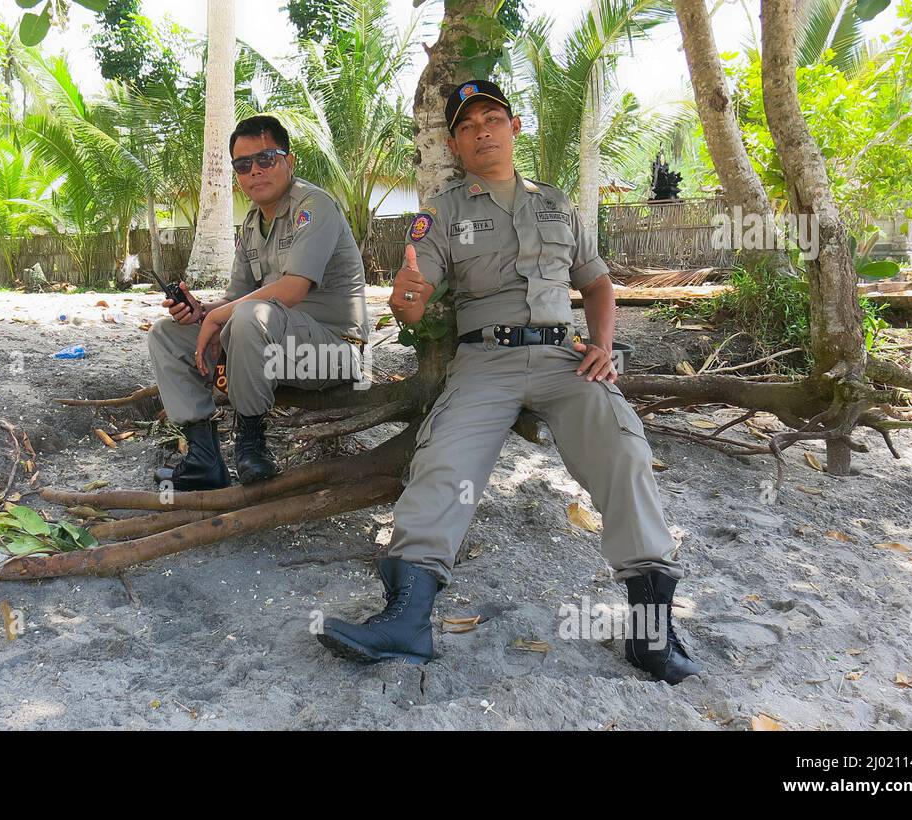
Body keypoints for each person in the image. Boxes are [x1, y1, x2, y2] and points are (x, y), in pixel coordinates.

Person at [316, 81, 700, 684]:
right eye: (468, 126)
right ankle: (407, 619)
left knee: (625, 451)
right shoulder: (440, 214)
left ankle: (650, 628)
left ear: (514, 127)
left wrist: (603, 346)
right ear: (455, 142)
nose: (483, 132)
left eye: (493, 119)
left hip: (563, 357)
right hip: (484, 362)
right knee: (444, 462)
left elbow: (596, 283)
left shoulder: (555, 203)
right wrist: (407, 300)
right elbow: (415, 306)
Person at [147, 115, 369, 490]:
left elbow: (293, 289)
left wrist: (222, 315)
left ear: (289, 161)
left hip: (333, 353)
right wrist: (201, 311)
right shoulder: (252, 222)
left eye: (267, 159)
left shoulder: (313, 207)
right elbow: (236, 298)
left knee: (251, 316)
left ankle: (252, 444)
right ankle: (204, 459)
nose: (255, 172)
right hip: (274, 346)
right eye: (243, 164)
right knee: (166, 334)